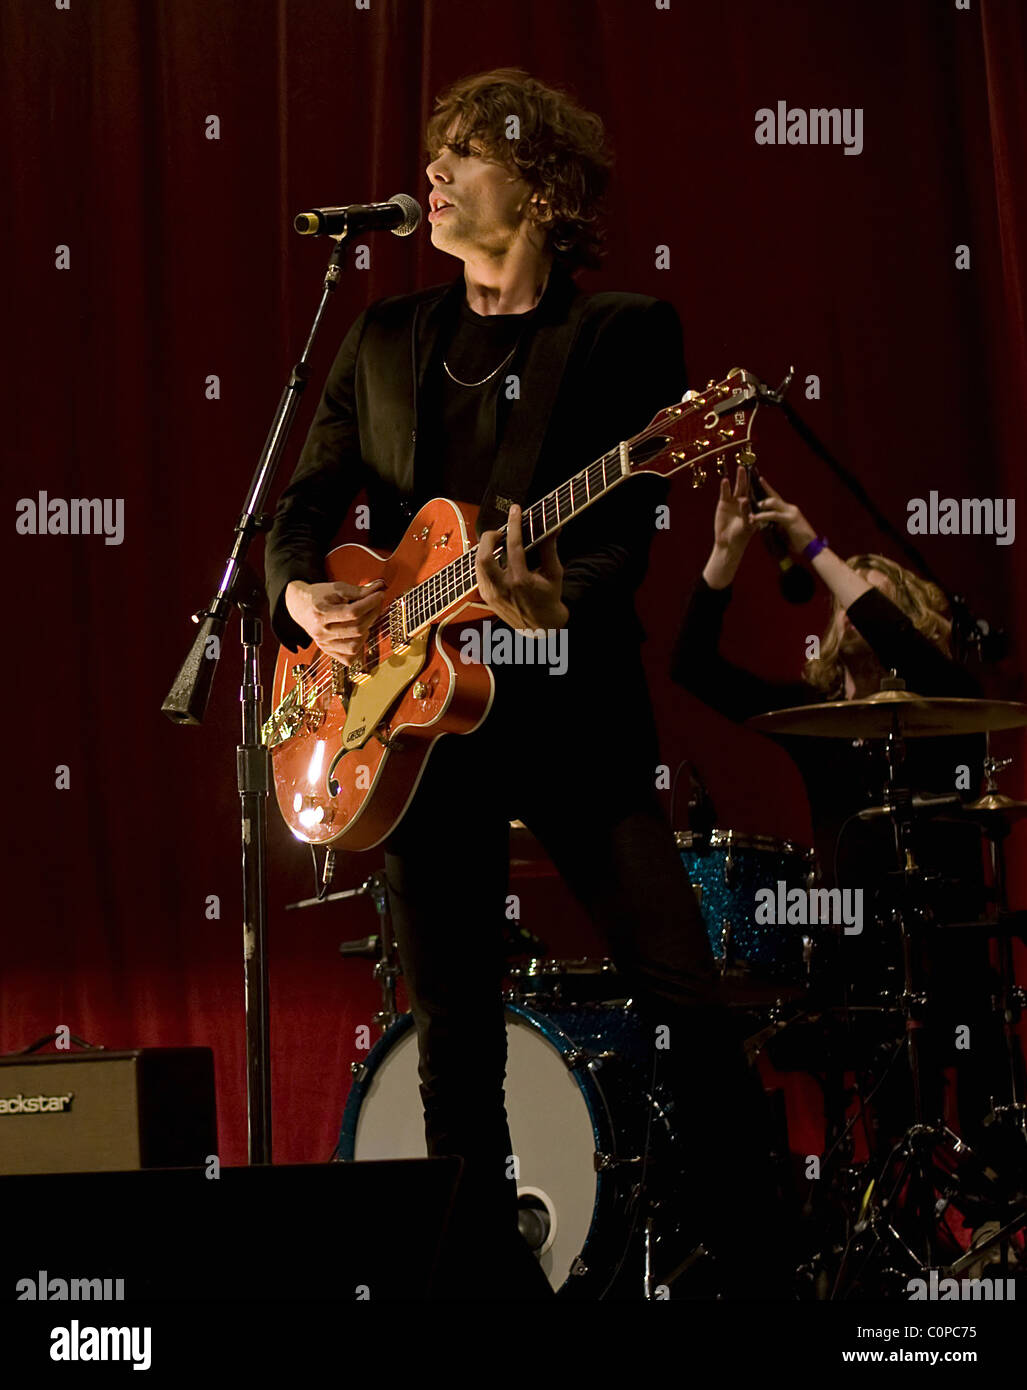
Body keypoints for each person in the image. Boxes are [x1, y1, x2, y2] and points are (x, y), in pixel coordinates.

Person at [265, 69, 781, 1300]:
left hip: (563, 715)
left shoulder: (620, 334)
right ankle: (483, 1290)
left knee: (683, 995)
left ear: (542, 190)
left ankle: (760, 1262)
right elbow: (299, 507)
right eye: (432, 156)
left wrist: (552, 604)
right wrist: (302, 597)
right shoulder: (385, 336)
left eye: (463, 156)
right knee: (455, 1040)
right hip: (408, 720)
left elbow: (621, 543)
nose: (432, 176)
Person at [671, 466, 997, 1161]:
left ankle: (995, 1205)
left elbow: (898, 641)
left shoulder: (945, 707)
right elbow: (691, 667)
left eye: (868, 600)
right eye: (845, 599)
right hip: (854, 954)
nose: (849, 607)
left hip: (947, 949)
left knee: (981, 1057)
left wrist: (814, 548)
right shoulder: (811, 721)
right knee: (878, 1120)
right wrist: (724, 555)